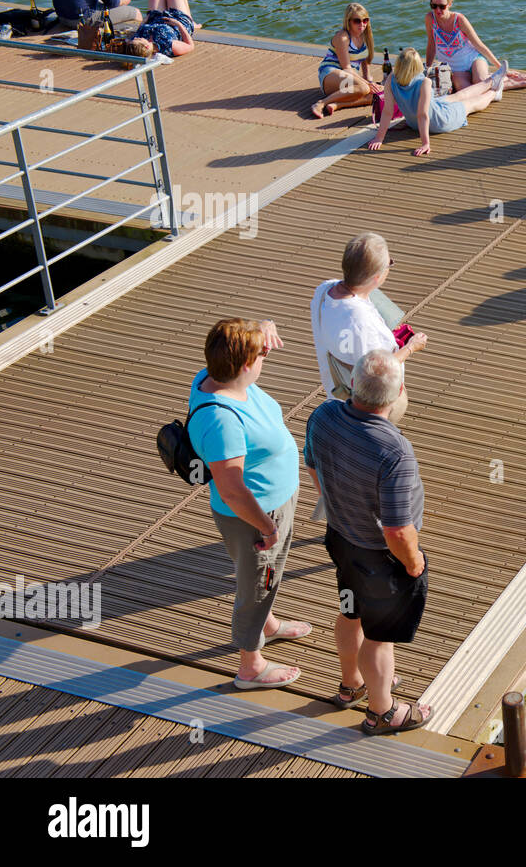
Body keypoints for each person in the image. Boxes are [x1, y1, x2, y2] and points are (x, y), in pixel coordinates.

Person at [304, 350, 432, 735]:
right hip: (380, 560)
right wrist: (412, 564)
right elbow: (396, 530)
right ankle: (383, 712)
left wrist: (340, 504)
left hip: (341, 544)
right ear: (399, 393)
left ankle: (351, 685)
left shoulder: (323, 416)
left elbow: (312, 465)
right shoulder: (394, 451)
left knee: (349, 611)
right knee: (379, 636)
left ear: (353, 384)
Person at [187, 319, 312, 690]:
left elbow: (234, 343)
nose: (266, 357)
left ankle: (268, 624)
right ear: (244, 365)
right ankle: (250, 666)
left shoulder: (212, 374)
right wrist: (268, 527)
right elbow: (232, 491)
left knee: (263, 581)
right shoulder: (220, 420)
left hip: (273, 503)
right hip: (256, 517)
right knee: (256, 585)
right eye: (260, 354)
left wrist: (261, 329)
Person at [309, 232, 428, 423]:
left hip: (336, 389)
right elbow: (379, 370)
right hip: (368, 407)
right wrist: (411, 347)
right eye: (389, 264)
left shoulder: (325, 289)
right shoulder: (360, 323)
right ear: (377, 277)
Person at [367, 48, 526, 156]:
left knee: (457, 96)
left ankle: (492, 80)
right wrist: (425, 143)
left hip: (415, 121)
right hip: (438, 121)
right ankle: (494, 91)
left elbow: (388, 111)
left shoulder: (391, 80)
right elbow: (424, 115)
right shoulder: (424, 82)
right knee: (471, 104)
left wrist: (379, 138)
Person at [424, 0, 503, 92]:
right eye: (434, 6)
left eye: (442, 6)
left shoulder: (459, 19)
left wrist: (499, 66)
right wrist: (428, 69)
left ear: (449, 4)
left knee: (480, 82)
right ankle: (496, 80)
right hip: (454, 69)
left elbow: (478, 44)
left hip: (473, 60)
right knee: (466, 90)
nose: (438, 10)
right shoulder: (430, 19)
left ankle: (509, 82)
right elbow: (431, 45)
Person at [312, 3, 381, 119]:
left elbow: (366, 67)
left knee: (377, 94)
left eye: (365, 20)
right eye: (357, 21)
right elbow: (346, 68)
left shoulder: (365, 37)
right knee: (364, 88)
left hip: (349, 78)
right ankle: (321, 103)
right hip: (330, 74)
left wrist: (371, 83)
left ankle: (337, 105)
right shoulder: (342, 37)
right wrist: (367, 84)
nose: (362, 24)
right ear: (349, 21)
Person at [127, 0, 200, 59]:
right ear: (146, 46)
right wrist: (178, 24)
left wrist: (144, 22)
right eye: (138, 39)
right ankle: (191, 20)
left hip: (155, 18)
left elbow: (138, 32)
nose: (135, 38)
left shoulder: (134, 43)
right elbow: (190, 46)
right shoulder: (167, 45)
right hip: (178, 20)